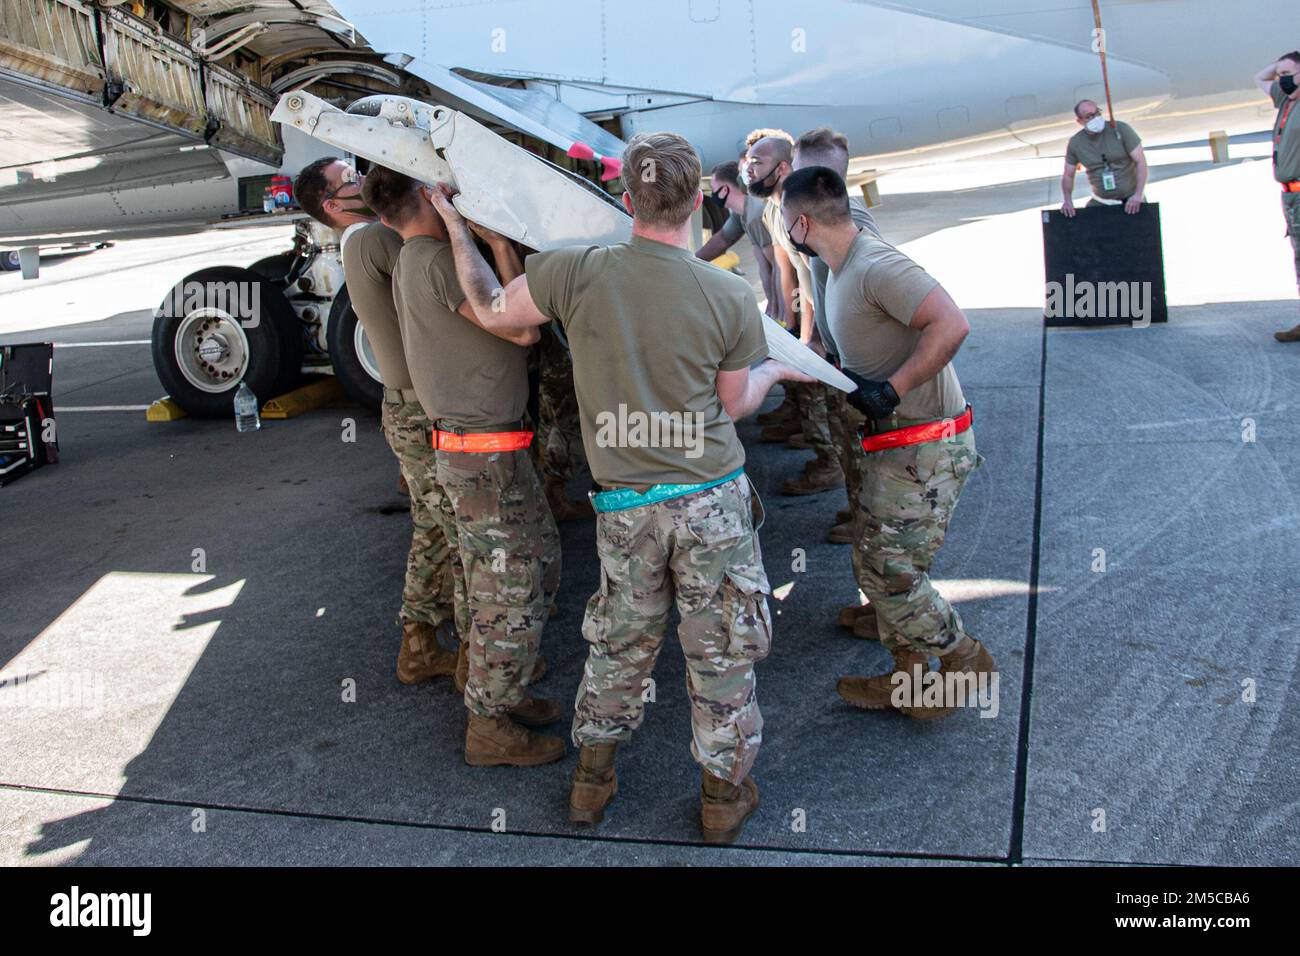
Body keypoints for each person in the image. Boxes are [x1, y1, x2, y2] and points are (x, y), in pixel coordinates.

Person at [429, 131, 815, 844]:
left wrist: (458, 229)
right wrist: (774, 373)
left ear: (626, 199)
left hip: (626, 507)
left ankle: (592, 780)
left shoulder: (575, 272)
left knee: (620, 643)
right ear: (697, 199)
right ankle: (722, 797)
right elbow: (733, 404)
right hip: (710, 501)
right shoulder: (727, 294)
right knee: (721, 648)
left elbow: (489, 308)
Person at [361, 165, 564, 767]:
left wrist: (482, 240)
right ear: (429, 195)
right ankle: (490, 722)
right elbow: (523, 327)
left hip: (486, 452)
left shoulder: (417, 257)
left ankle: (502, 687)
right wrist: (490, 240)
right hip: (484, 458)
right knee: (511, 587)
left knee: (526, 568)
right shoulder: (437, 259)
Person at [780, 166, 996, 720]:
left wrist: (893, 389)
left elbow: (951, 323)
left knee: (890, 571)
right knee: (881, 564)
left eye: (785, 223)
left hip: (925, 446)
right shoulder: (840, 268)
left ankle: (963, 659)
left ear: (800, 222)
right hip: (896, 446)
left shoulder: (876, 265)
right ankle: (912, 682)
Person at [294, 157, 457, 685]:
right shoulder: (370, 239)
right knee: (462, 530)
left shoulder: (361, 239)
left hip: (409, 403)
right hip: (417, 406)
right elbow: (436, 265)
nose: (363, 184)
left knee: (435, 526)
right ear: (331, 205)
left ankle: (422, 645)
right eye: (351, 180)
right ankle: (485, 659)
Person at [792, 127, 883, 549]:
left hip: (858, 364)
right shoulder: (817, 218)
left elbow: (875, 289)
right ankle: (861, 509)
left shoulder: (853, 225)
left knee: (863, 449)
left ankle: (870, 522)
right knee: (852, 448)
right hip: (840, 357)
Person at [745, 132, 843, 496]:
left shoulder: (799, 208)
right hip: (810, 323)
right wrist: (787, 326)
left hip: (831, 328)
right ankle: (828, 460)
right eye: (748, 163)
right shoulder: (774, 210)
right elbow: (788, 273)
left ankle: (832, 464)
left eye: (757, 163)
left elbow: (815, 276)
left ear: (782, 167)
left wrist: (810, 338)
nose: (749, 170)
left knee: (834, 410)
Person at [695, 161, 778, 317]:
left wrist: (776, 311)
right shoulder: (742, 212)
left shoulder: (755, 215)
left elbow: (777, 266)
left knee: (763, 259)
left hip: (785, 301)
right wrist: (691, 261)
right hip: (778, 301)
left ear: (725, 190)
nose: (713, 195)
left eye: (713, 189)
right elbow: (723, 238)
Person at [1256, 52, 1300, 342]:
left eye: (1287, 74)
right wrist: (1282, 67)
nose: (1280, 79)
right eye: (1280, 74)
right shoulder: (1286, 100)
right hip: (1290, 197)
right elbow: (1259, 77)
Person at [1060, 101, 1148, 215]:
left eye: (1097, 113)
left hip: (1132, 202)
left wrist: (1138, 194)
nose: (1095, 118)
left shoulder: (1121, 129)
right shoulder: (1076, 143)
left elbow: (1140, 162)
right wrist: (1067, 200)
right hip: (1102, 201)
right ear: (1080, 121)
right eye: (1089, 116)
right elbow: (1068, 175)